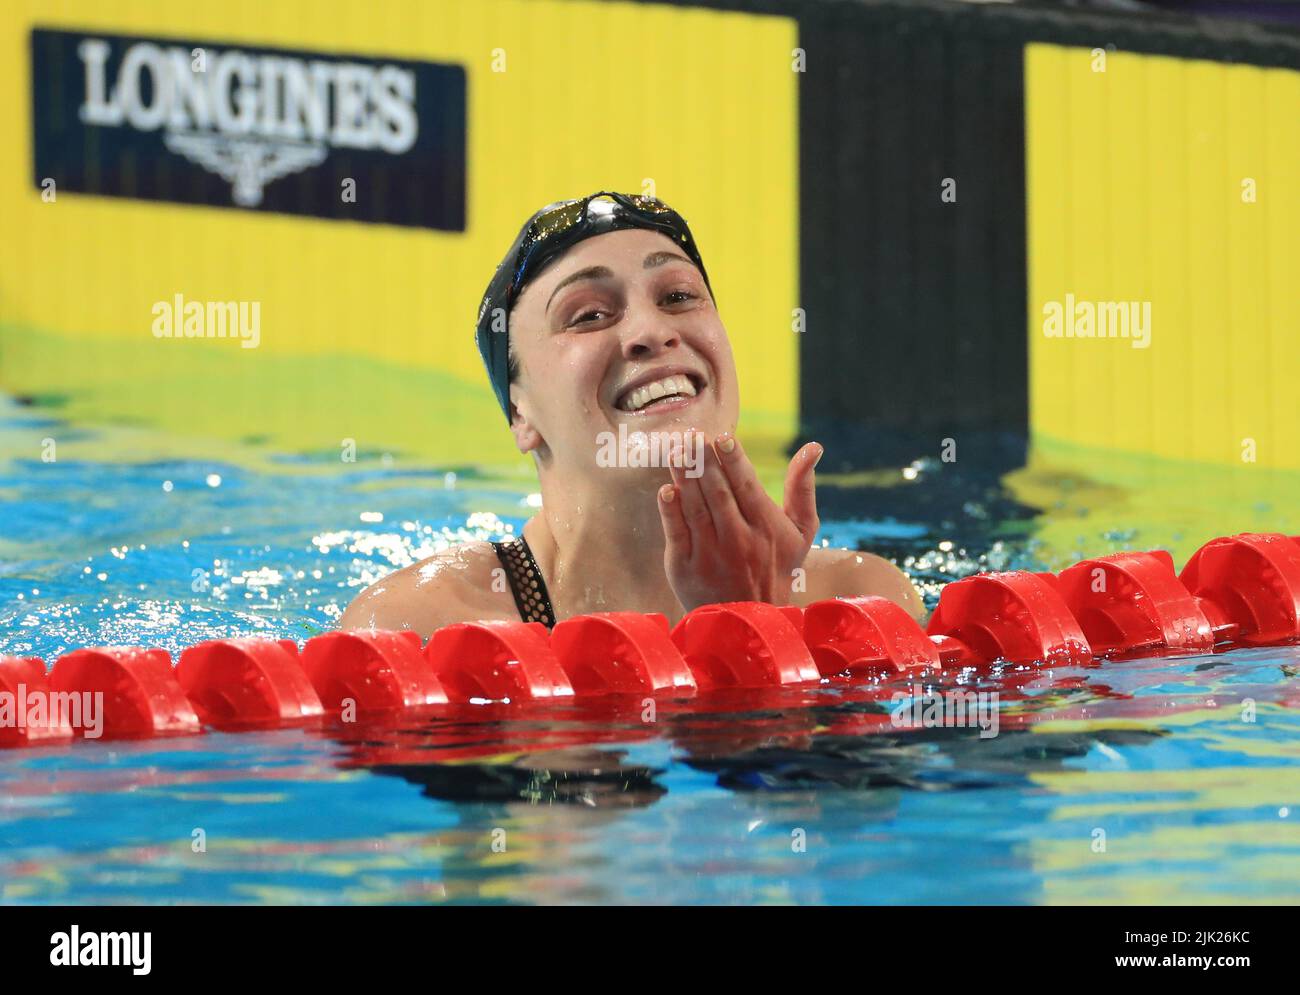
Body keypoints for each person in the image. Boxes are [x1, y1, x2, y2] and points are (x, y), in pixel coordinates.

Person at [340, 192, 922, 636]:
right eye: (589, 315)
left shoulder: (861, 601)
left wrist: (747, 616)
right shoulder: (420, 626)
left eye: (678, 297)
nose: (651, 331)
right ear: (520, 414)